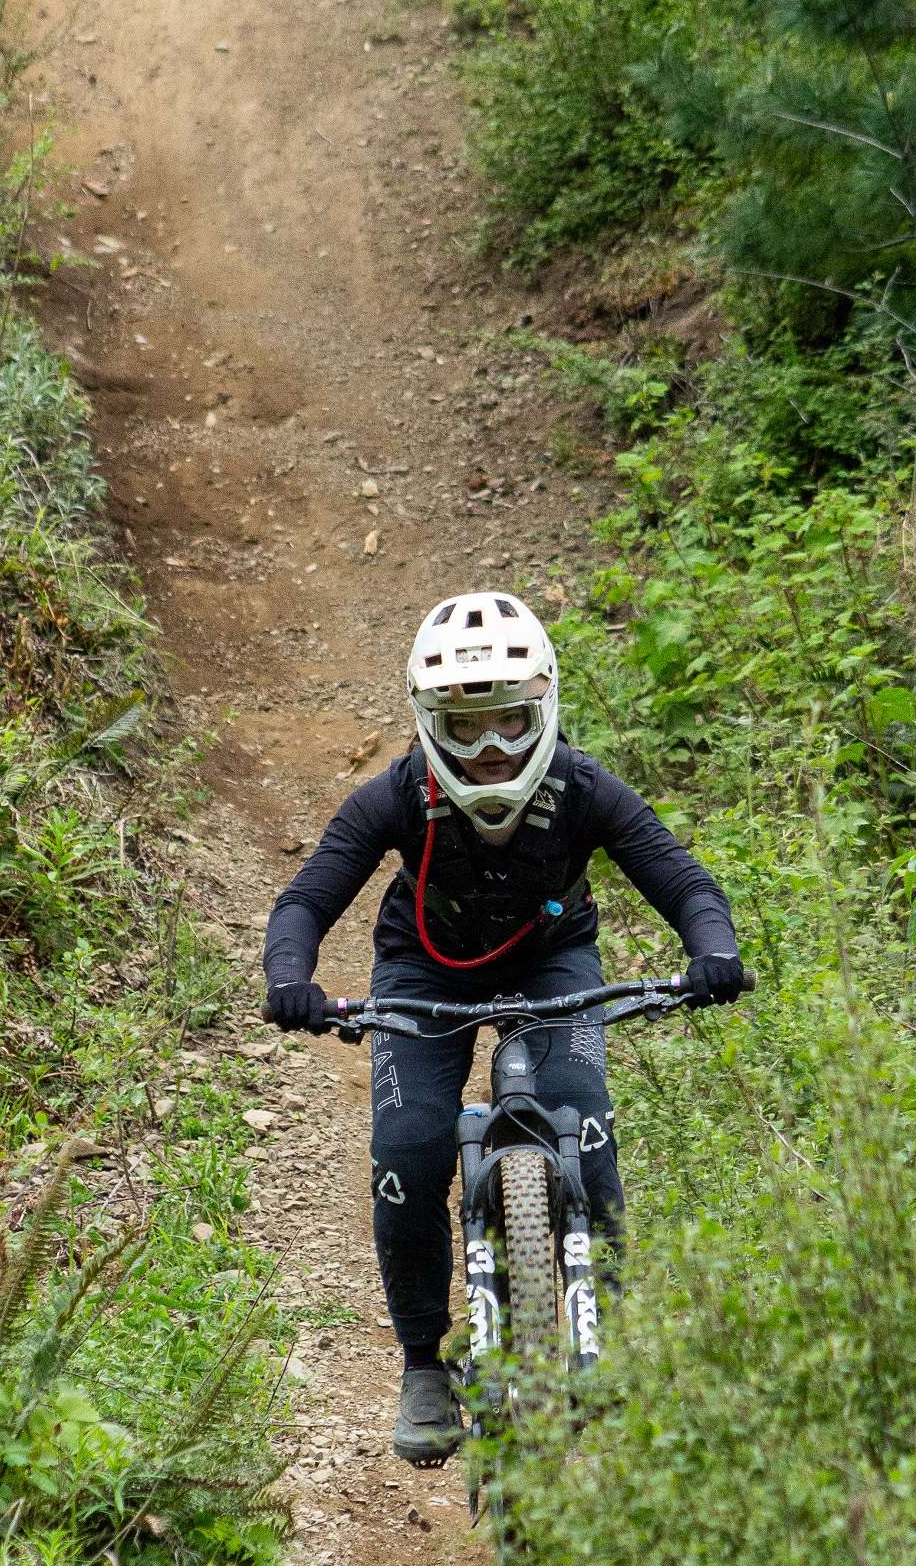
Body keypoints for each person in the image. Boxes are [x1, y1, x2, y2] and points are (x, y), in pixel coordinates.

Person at [261, 590, 745, 1465]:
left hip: (552, 964)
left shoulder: (586, 786)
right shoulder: (398, 795)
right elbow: (307, 898)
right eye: (467, 729)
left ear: (546, 707)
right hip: (423, 971)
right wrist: (291, 978)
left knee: (581, 1115)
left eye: (512, 724)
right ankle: (422, 1367)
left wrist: (712, 950)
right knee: (407, 1153)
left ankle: (605, 1332)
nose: (491, 752)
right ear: (428, 724)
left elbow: (686, 883)